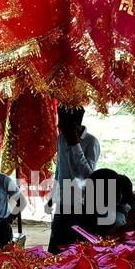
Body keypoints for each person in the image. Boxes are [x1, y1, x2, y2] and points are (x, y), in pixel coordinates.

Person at [49, 105, 100, 252]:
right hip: (63, 198)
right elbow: (60, 167)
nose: (60, 128)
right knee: (56, 244)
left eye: (64, 126)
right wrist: (54, 192)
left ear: (75, 125)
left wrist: (75, 145)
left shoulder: (91, 142)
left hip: (82, 201)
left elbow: (88, 174)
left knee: (76, 244)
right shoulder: (61, 139)